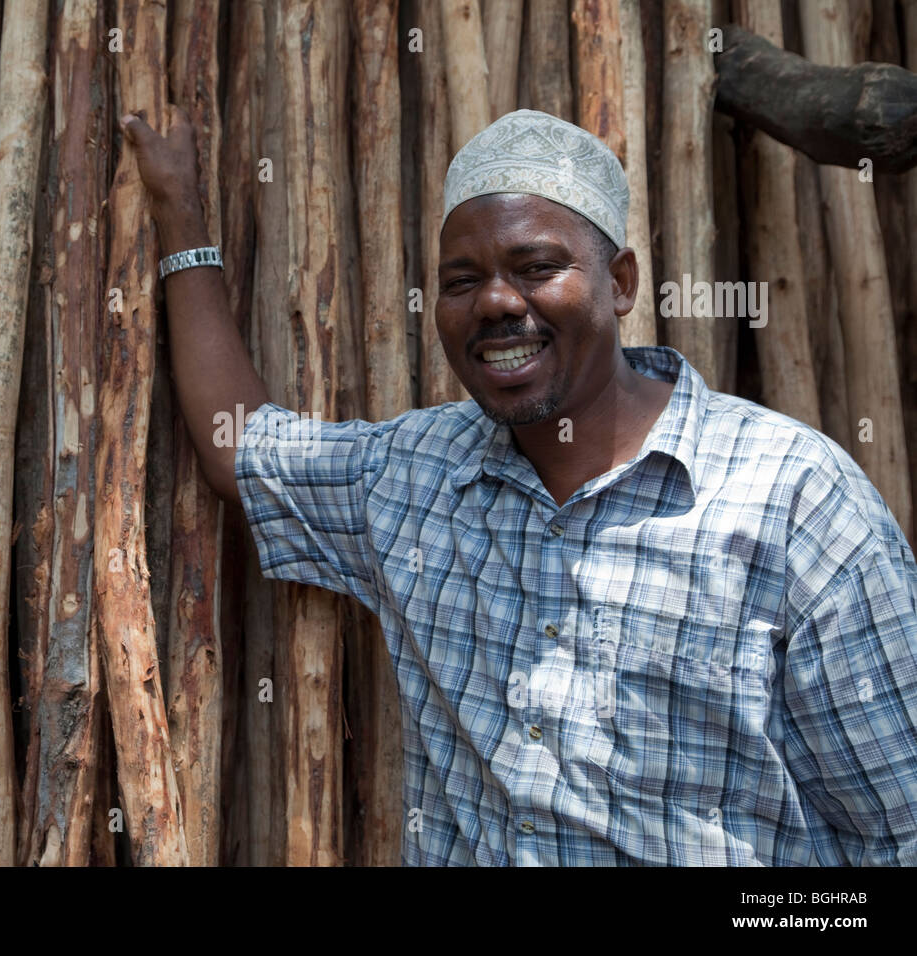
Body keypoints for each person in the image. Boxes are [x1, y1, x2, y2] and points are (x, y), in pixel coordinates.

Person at [120, 105, 917, 865]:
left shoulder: (794, 502)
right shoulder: (413, 479)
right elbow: (241, 447)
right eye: (463, 281)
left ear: (622, 282)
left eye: (536, 267)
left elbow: (898, 834)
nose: (498, 302)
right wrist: (180, 217)